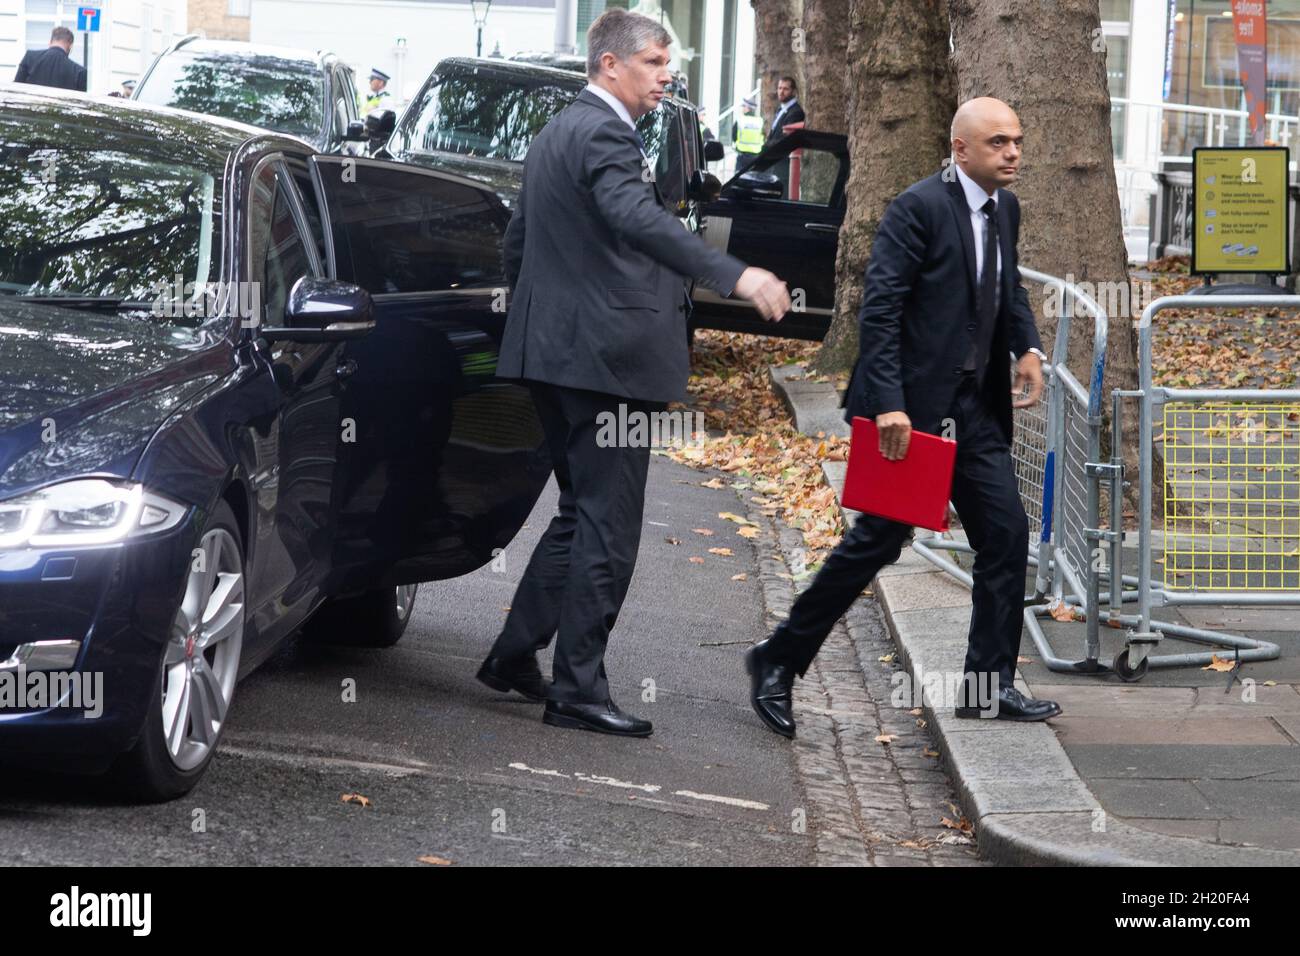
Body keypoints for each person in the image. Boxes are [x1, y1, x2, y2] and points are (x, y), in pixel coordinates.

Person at [476, 8, 791, 737]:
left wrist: (533, 322)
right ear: (610, 65)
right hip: (604, 363)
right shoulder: (607, 134)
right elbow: (635, 219)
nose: (666, 74)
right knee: (608, 528)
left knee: (578, 512)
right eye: (653, 62)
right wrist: (732, 273)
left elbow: (520, 239)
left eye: (666, 63)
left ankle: (514, 655)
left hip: (556, 355)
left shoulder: (559, 129)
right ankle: (578, 689)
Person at [745, 97, 1062, 739]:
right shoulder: (917, 208)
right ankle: (777, 659)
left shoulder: (1005, 208)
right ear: (961, 150)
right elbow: (880, 310)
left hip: (975, 412)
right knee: (876, 543)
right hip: (910, 416)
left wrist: (1025, 347)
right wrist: (889, 403)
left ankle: (986, 687)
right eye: (999, 142)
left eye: (1018, 141)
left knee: (1004, 538)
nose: (1013, 153)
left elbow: (1009, 289)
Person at [14, 27, 87, 92]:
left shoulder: (30, 57)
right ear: (70, 46)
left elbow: (16, 88)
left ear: (50, 42)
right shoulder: (79, 72)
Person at [766, 76, 803, 144]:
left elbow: (786, 139)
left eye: (785, 89)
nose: (781, 92)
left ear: (794, 91)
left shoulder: (796, 112)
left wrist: (767, 146)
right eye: (779, 88)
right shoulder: (781, 109)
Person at [733, 96, 764, 172]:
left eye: (744, 106)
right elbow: (764, 136)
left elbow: (733, 136)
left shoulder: (740, 120)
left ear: (748, 108)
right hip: (756, 156)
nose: (742, 108)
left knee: (738, 180)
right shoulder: (760, 121)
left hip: (742, 155)